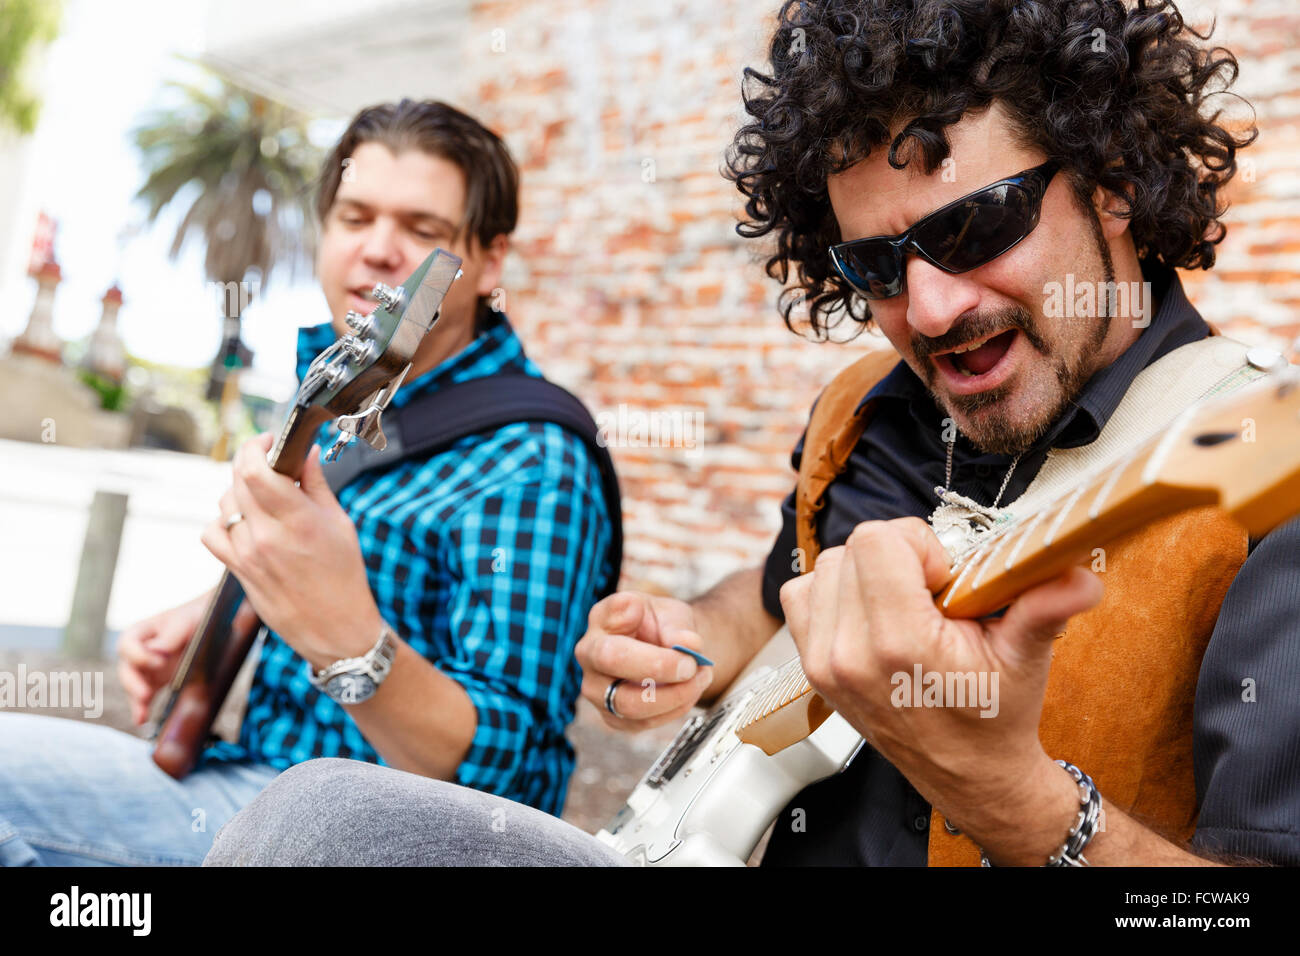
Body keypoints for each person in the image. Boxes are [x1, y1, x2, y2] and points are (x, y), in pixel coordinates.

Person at [204, 0, 1300, 867]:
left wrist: (1010, 799)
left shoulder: (1261, 484)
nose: (925, 308)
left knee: (314, 823)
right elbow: (780, 587)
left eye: (970, 225)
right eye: (872, 265)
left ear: (1110, 180)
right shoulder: (867, 411)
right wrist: (690, 630)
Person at [0, 99, 618, 866]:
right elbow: (361, 563)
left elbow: (510, 792)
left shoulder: (535, 460)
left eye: (422, 230)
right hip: (241, 780)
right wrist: (222, 607)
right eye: (355, 217)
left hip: (358, 843)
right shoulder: (347, 400)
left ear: (488, 261)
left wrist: (348, 640)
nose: (380, 250)